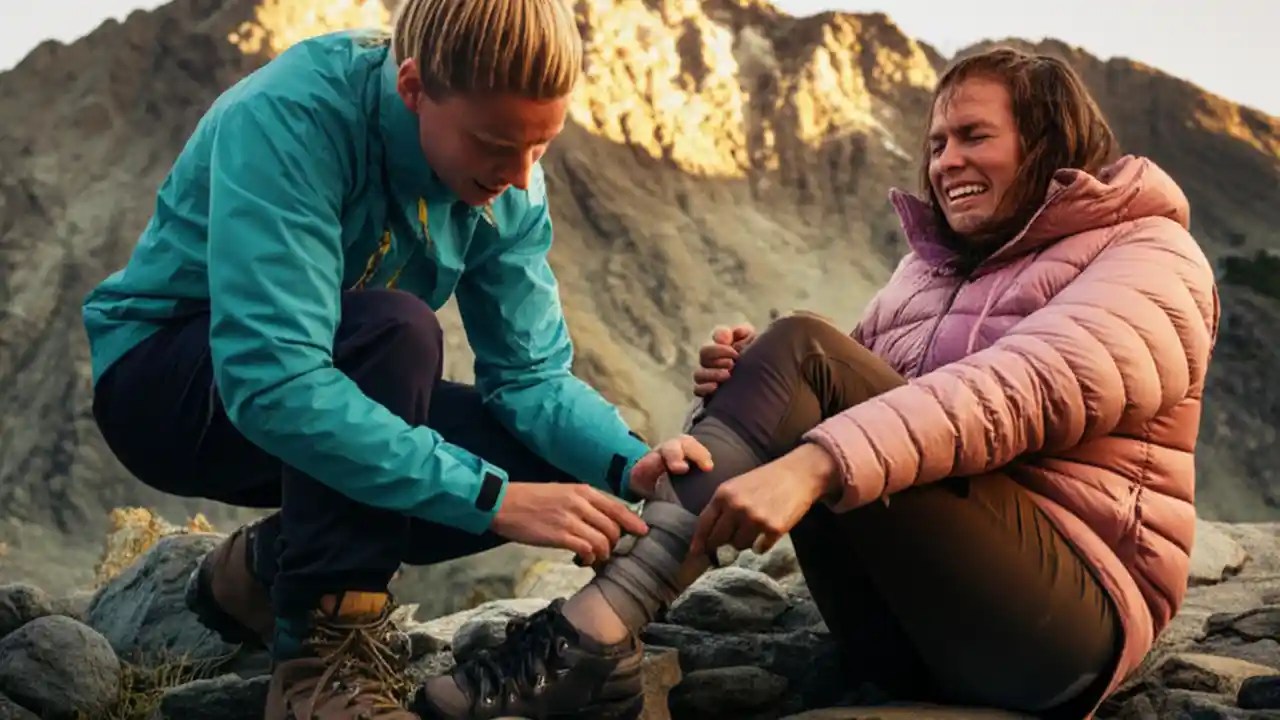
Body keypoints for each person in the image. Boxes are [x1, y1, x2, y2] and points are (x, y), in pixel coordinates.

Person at [413, 46, 1220, 720]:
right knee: (790, 352)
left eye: (974, 136)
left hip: (1060, 632)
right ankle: (596, 647)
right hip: (907, 634)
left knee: (807, 351)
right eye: (936, 144)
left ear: (1049, 140)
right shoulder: (926, 274)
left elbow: (1022, 390)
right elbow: (853, 405)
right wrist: (738, 390)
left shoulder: (1147, 255)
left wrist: (814, 458)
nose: (947, 163)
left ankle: (583, 641)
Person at [80, 0, 710, 717]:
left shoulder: (514, 177)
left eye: (541, 146)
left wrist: (629, 466)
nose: (518, 174)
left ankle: (264, 572)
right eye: (492, 144)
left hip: (324, 376)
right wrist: (492, 499)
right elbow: (274, 382)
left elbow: (531, 378)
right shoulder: (290, 119)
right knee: (398, 335)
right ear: (412, 88)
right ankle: (319, 662)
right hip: (170, 388)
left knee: (563, 478)